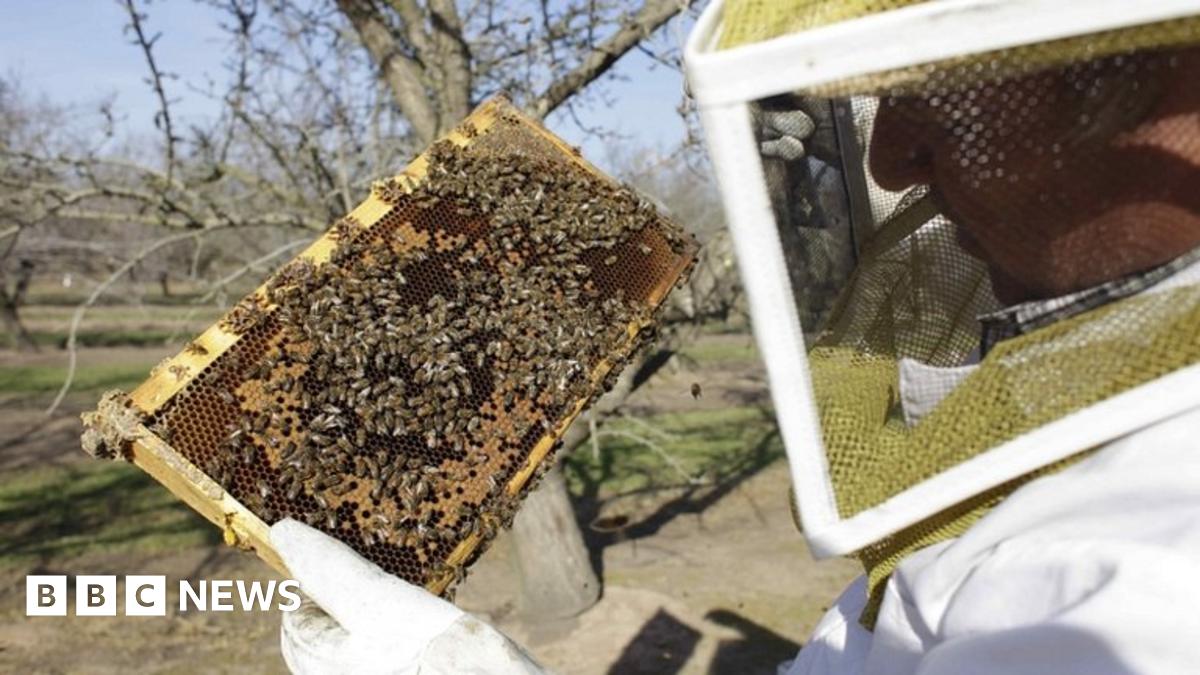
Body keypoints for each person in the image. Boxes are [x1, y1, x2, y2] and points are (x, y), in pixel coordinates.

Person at [272, 3, 1200, 673]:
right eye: (881, 97)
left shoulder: (1128, 592)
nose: (890, 159)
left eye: (949, 82)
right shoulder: (1083, 456)